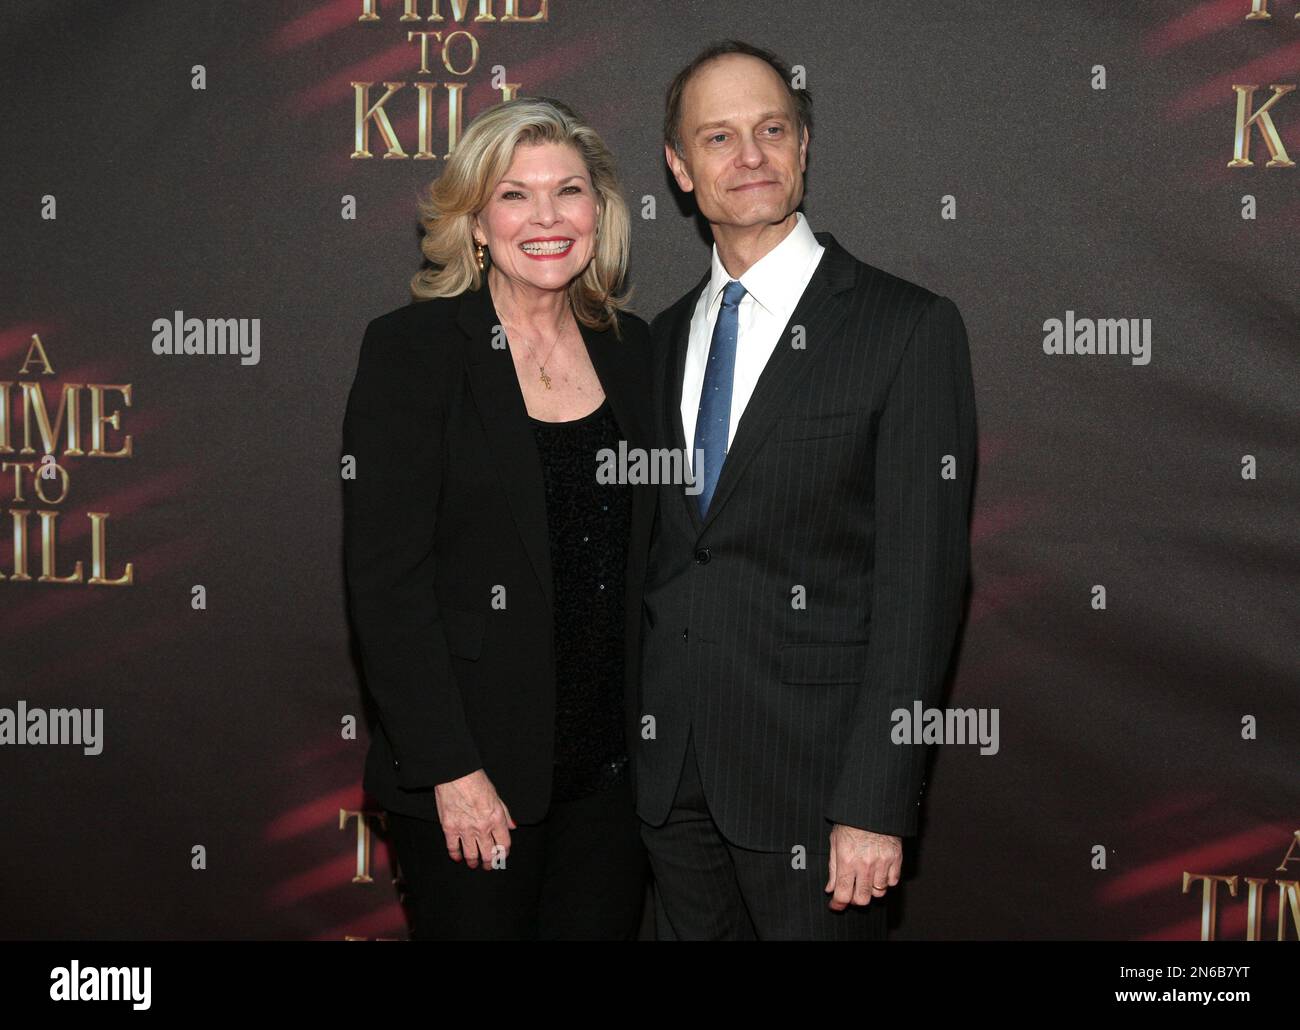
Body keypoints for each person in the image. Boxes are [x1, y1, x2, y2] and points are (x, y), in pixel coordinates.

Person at [636, 41, 978, 939]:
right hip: (670, 787)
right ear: (679, 167)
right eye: (717, 137)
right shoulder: (660, 339)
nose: (748, 155)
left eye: (771, 129)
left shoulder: (905, 328)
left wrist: (876, 799)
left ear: (804, 144)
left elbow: (923, 590)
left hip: (818, 796)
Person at [341, 97, 652, 940]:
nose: (546, 218)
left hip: (612, 782)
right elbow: (387, 584)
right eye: (515, 195)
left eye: (570, 192)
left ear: (601, 214)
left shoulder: (634, 352)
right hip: (474, 780)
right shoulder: (414, 351)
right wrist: (451, 769)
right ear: (476, 224)